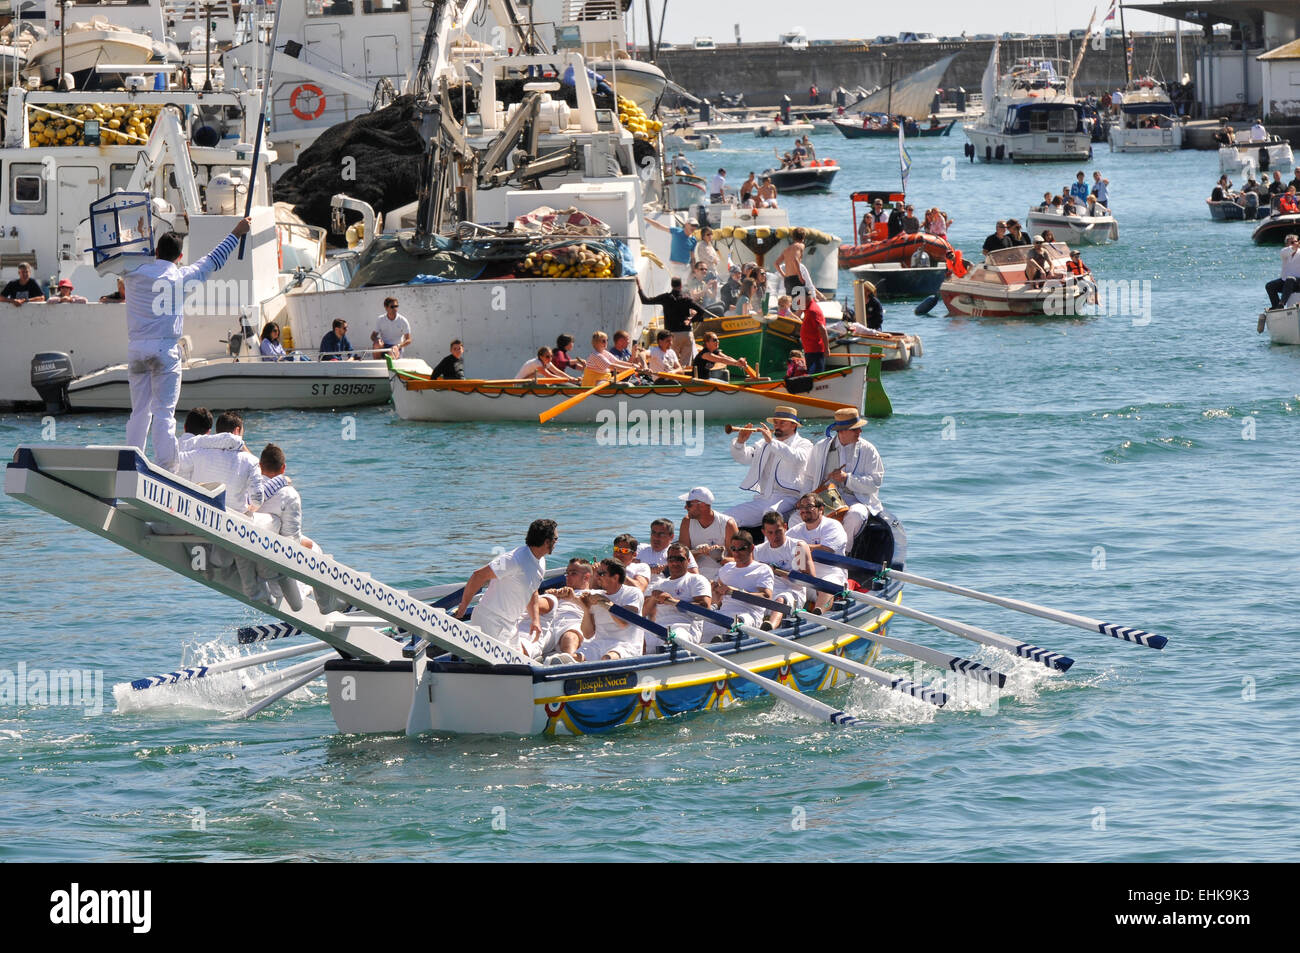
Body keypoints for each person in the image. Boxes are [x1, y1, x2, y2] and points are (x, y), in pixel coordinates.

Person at [123, 218, 250, 469]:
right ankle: (167, 468)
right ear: (180, 256)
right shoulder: (181, 278)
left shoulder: (132, 272)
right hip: (165, 350)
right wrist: (237, 231)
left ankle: (131, 459)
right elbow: (215, 259)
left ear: (156, 251)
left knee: (139, 411)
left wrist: (137, 230)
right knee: (163, 414)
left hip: (137, 349)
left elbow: (117, 255)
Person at [454, 519, 557, 651]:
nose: (556, 543)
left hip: (511, 624)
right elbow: (478, 576)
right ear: (547, 541)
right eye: (555, 539)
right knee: (500, 668)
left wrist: (535, 620)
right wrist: (463, 606)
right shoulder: (513, 559)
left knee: (518, 664)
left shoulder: (540, 562)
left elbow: (532, 591)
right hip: (490, 621)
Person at [803, 407, 884, 543]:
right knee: (796, 517)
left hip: (857, 499)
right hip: (826, 498)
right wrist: (804, 500)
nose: (860, 431)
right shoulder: (821, 447)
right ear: (841, 432)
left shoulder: (869, 450)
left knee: (855, 515)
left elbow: (874, 484)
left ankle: (843, 552)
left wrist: (847, 478)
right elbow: (808, 477)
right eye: (855, 429)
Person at [725, 406, 814, 527]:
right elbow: (744, 458)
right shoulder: (763, 444)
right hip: (763, 498)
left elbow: (798, 459)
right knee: (726, 518)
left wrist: (772, 442)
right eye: (776, 423)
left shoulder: (804, 443)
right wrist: (740, 442)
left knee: (770, 514)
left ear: (794, 425)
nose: (777, 426)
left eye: (782, 423)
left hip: (790, 498)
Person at [177, 411, 265, 513]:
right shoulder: (251, 461)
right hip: (234, 519)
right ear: (237, 431)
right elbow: (257, 500)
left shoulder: (198, 453)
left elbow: (174, 463)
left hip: (199, 512)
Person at [559, 560, 644, 662]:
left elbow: (624, 623)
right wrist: (586, 609)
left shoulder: (633, 593)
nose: (597, 576)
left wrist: (605, 603)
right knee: (572, 658)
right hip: (598, 645)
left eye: (601, 573)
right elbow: (588, 634)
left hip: (625, 646)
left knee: (607, 658)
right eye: (597, 573)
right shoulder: (596, 595)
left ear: (615, 577)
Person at [703, 531, 774, 640]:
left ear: (751, 548)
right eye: (733, 549)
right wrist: (714, 590)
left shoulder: (762, 569)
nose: (737, 553)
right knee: (696, 624)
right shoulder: (726, 569)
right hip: (724, 613)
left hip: (749, 614)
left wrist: (735, 592)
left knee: (738, 622)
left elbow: (766, 597)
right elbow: (717, 600)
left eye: (741, 549)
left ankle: (723, 641)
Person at [785, 493, 850, 612]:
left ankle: (819, 614)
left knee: (827, 587)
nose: (804, 510)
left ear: (821, 509)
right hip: (804, 579)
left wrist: (802, 546)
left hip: (831, 575)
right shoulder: (794, 531)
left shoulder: (833, 526)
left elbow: (827, 549)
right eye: (801, 507)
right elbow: (779, 547)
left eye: (809, 506)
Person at [520, 558, 593, 662]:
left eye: (573, 573)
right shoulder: (559, 592)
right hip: (548, 623)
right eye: (567, 573)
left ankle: (568, 659)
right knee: (533, 634)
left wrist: (573, 598)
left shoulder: (593, 594)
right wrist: (552, 594)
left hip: (571, 621)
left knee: (570, 635)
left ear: (586, 577)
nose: (567, 577)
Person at [643, 543, 712, 650]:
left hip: (684, 628)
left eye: (680, 559)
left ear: (688, 561)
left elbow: (705, 608)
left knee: (673, 637)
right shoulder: (658, 585)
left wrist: (672, 601)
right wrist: (653, 598)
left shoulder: (697, 580)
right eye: (671, 559)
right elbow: (644, 612)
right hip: (658, 629)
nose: (675, 562)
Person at [753, 511, 814, 626]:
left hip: (792, 592)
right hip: (767, 593)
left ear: (785, 527)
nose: (774, 536)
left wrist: (776, 570)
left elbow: (809, 580)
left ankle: (770, 628)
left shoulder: (798, 547)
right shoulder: (757, 551)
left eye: (778, 531)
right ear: (764, 532)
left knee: (780, 599)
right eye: (770, 533)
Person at [637, 275, 706, 368]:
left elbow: (645, 300)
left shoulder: (666, 298)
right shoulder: (686, 299)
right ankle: (684, 381)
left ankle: (675, 380)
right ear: (681, 286)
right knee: (685, 365)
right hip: (686, 334)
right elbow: (702, 311)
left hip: (672, 336)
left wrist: (639, 286)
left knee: (673, 364)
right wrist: (691, 320)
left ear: (671, 285)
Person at [679, 486, 737, 580]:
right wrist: (698, 552)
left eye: (689, 504)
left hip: (722, 576)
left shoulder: (728, 524)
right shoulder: (686, 522)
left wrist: (719, 558)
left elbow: (739, 561)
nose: (685, 507)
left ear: (702, 505)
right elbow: (680, 557)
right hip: (695, 575)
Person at [1265, 234, 1300, 310]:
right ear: (1287, 244)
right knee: (1269, 286)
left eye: (1295, 242)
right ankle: (1276, 306)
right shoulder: (1284, 252)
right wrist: (1293, 246)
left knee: (1290, 279)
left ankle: (1281, 304)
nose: (1294, 244)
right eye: (1291, 243)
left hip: (1298, 283)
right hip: (1286, 283)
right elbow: (1290, 249)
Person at [798, 294, 828, 373]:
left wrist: (826, 348)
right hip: (810, 350)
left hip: (815, 351)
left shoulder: (812, 311)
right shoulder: (808, 307)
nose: (798, 303)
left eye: (799, 301)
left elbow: (822, 329)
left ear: (805, 299)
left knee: (815, 376)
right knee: (812, 375)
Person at [775, 227, 808, 296]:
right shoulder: (800, 246)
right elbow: (795, 260)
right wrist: (800, 276)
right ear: (803, 237)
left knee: (792, 303)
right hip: (795, 278)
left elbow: (776, 263)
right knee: (799, 304)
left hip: (787, 280)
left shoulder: (787, 249)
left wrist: (784, 276)